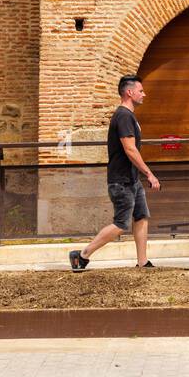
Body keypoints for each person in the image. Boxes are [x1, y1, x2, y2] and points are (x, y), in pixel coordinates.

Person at [70, 75, 160, 271]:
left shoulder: (128, 116)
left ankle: (143, 262)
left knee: (142, 216)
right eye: (141, 91)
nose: (144, 94)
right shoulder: (124, 116)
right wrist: (149, 174)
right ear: (129, 92)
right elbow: (130, 149)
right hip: (121, 182)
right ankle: (82, 255)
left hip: (132, 180)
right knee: (121, 224)